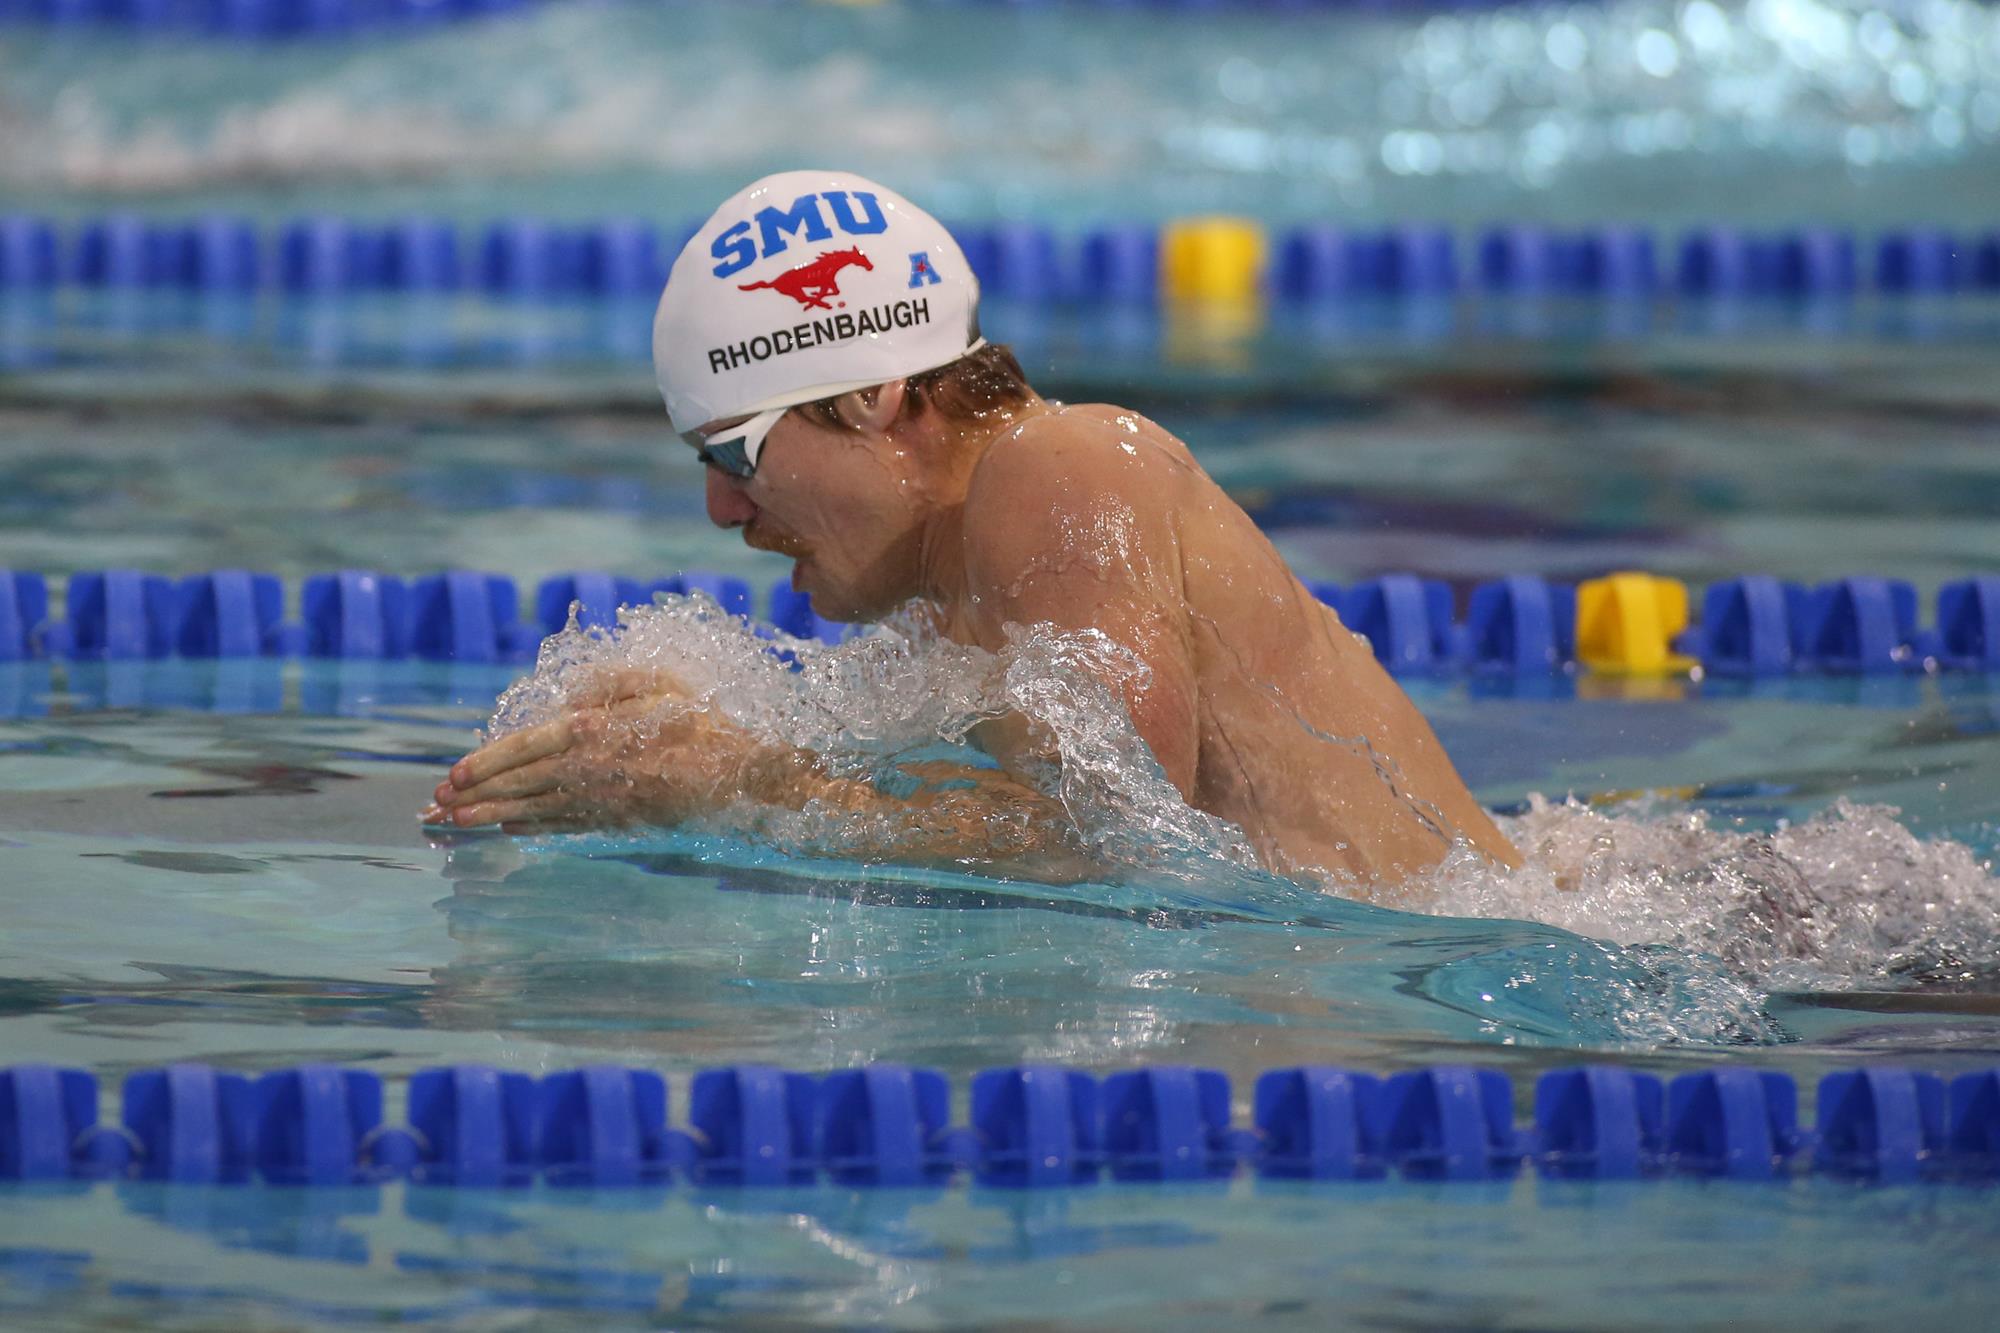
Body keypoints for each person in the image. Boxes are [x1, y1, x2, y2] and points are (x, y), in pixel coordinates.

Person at [424, 170, 1519, 901]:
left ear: (868, 398)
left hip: (1436, 992)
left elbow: (1121, 845)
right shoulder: (954, 593)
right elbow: (999, 824)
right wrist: (672, 744)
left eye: (735, 455)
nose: (721, 509)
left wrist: (737, 784)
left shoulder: (1062, 464)